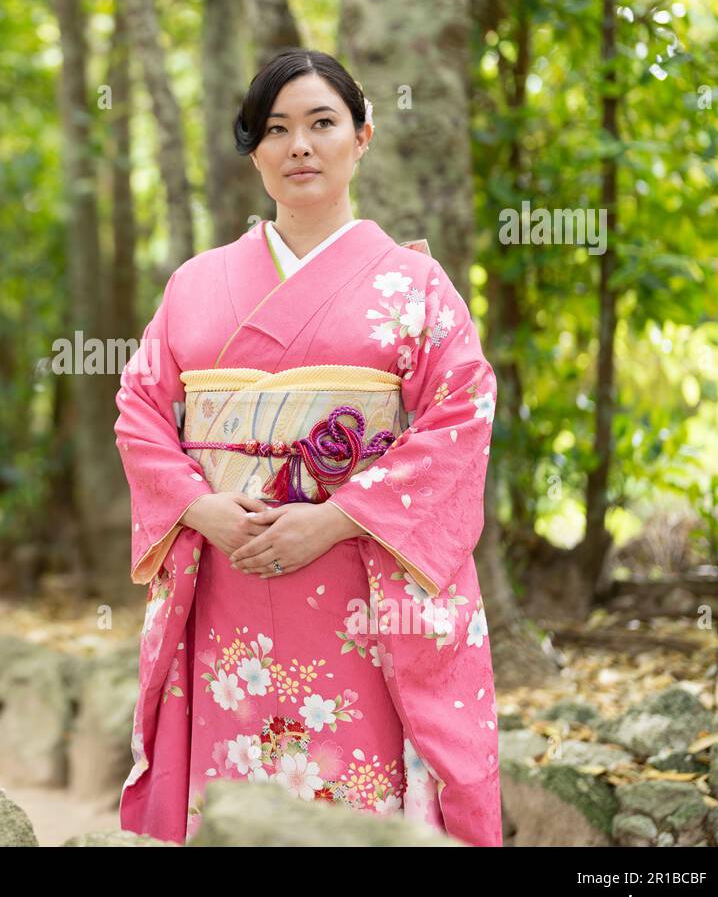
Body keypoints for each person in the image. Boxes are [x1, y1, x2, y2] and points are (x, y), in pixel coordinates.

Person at [114, 48, 501, 847]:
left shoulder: (415, 286)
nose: (300, 146)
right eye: (276, 129)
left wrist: (337, 517)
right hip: (227, 573)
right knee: (235, 793)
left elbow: (462, 412)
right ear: (253, 151)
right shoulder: (194, 283)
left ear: (362, 136)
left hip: (360, 578)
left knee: (355, 793)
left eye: (322, 123)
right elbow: (140, 408)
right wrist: (198, 505)